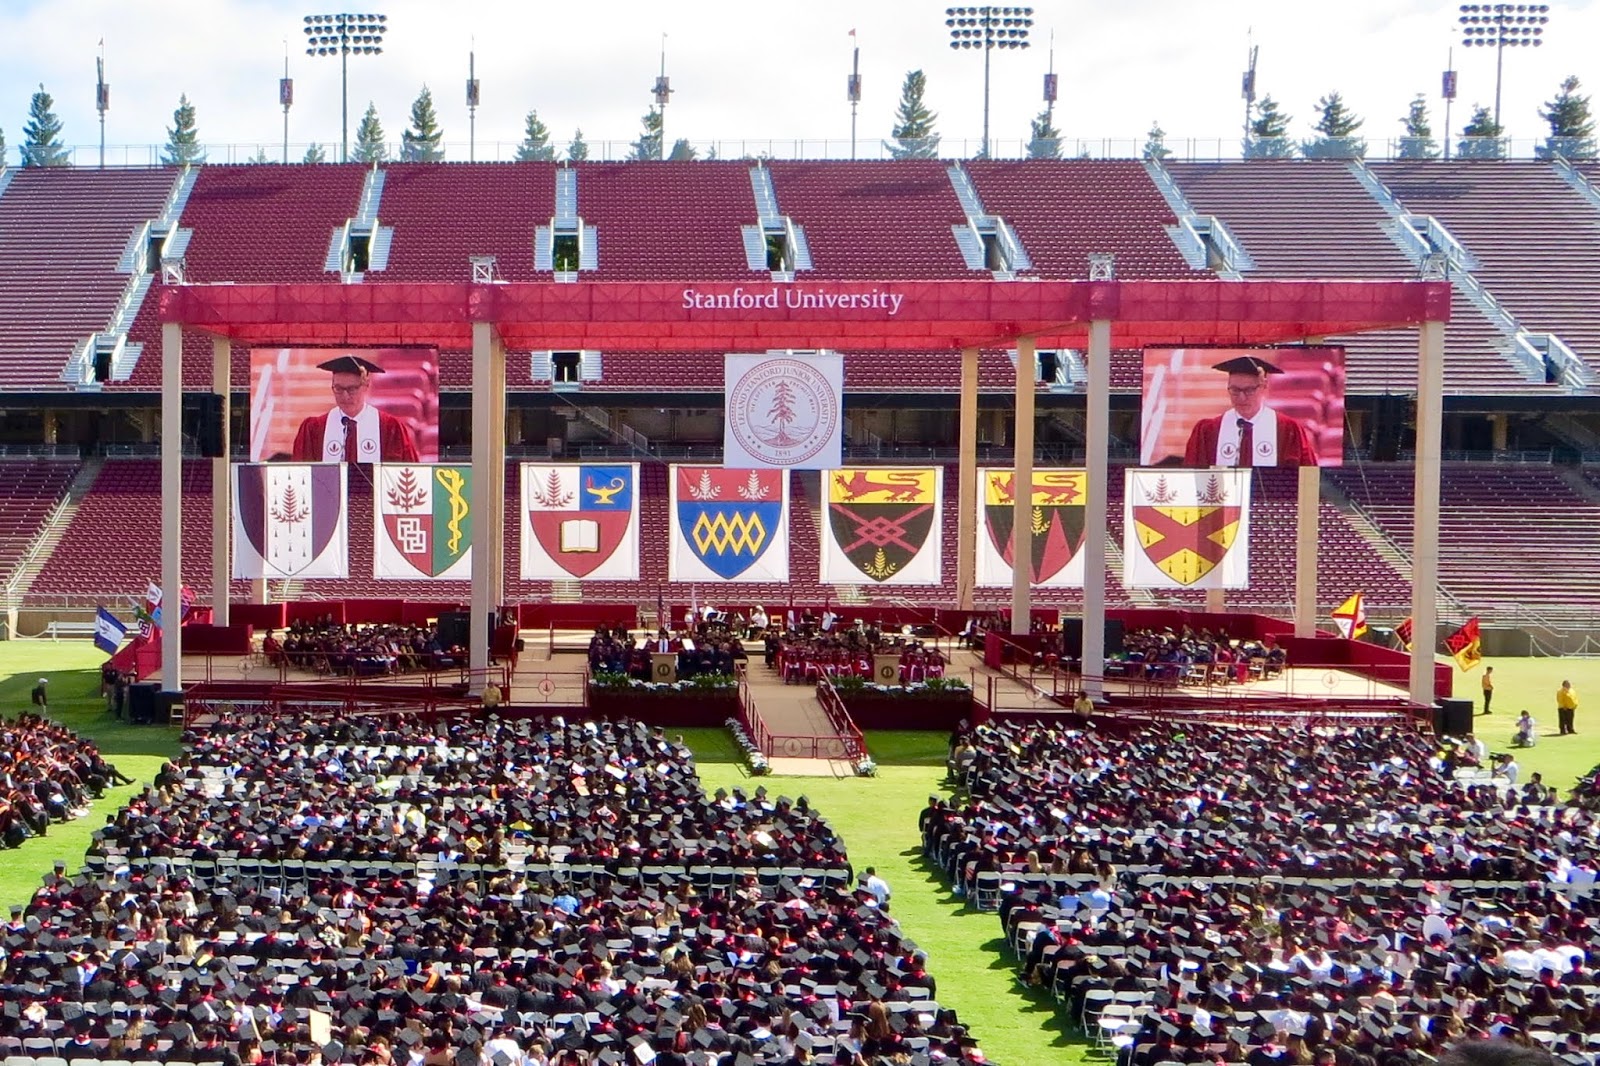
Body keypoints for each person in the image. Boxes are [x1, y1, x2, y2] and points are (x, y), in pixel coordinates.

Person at [1181, 354, 1319, 467]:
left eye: (1249, 390)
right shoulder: (1208, 431)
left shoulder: (1287, 429)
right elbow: (1193, 481)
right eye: (1235, 390)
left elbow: (1308, 479)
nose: (1241, 397)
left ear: (1263, 386)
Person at [289, 355, 421, 463]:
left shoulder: (389, 428)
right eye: (338, 388)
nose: (345, 396)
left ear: (366, 385)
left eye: (352, 389)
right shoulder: (315, 429)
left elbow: (408, 474)